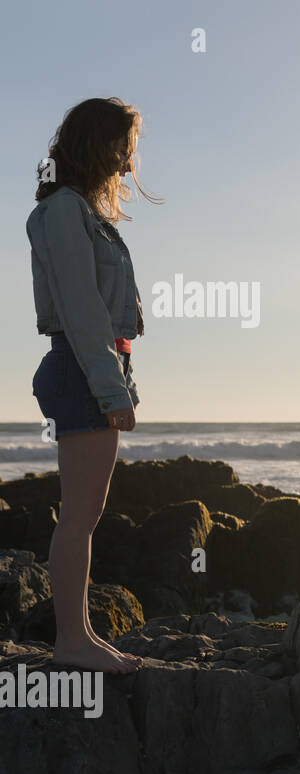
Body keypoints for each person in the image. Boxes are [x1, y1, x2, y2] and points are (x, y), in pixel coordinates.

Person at [27, 97, 160, 674]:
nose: (125, 160)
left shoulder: (81, 211)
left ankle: (76, 635)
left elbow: (99, 305)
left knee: (84, 512)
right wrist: (112, 391)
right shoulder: (63, 211)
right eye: (119, 145)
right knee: (79, 513)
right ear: (92, 142)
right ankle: (72, 642)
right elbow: (80, 312)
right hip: (83, 369)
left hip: (95, 366)